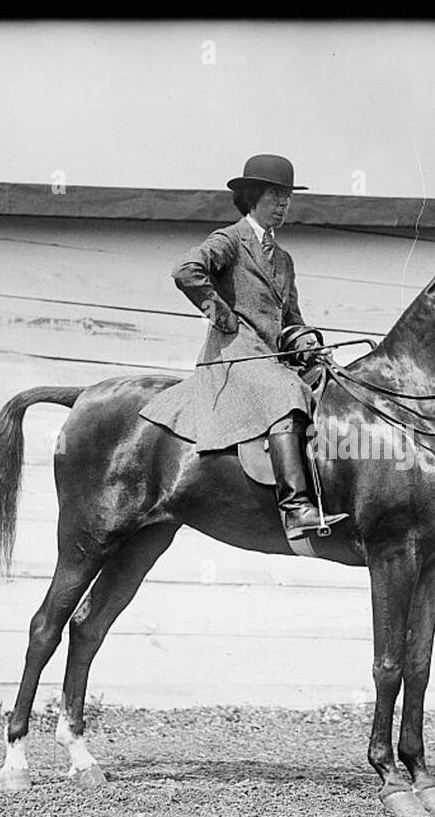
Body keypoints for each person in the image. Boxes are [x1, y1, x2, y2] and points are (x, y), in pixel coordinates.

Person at [139, 153, 349, 540]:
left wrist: (307, 342)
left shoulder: (284, 259)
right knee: (287, 391)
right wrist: (222, 315)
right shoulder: (231, 240)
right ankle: (295, 508)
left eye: (287, 197)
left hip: (272, 358)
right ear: (253, 198)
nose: (283, 204)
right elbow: (185, 271)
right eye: (275, 196)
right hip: (234, 357)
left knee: (329, 384)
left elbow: (291, 317)